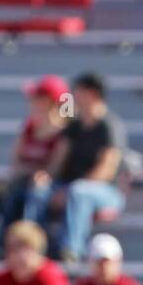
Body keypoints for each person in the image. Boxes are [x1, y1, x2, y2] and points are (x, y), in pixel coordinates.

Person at [0, 76, 70, 260]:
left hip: (45, 187)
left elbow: (55, 168)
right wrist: (26, 173)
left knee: (32, 195)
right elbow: (16, 162)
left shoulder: (62, 134)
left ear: (49, 102)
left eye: (37, 99)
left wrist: (37, 174)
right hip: (23, 181)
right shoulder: (28, 128)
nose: (32, 103)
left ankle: (26, 246)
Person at [24, 72, 127, 262]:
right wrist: (47, 177)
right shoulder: (75, 125)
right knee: (39, 191)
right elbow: (58, 160)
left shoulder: (110, 126)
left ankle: (71, 250)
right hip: (69, 186)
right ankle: (31, 246)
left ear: (91, 94)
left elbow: (106, 170)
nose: (73, 96)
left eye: (77, 92)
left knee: (79, 192)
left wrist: (68, 190)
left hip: (106, 192)